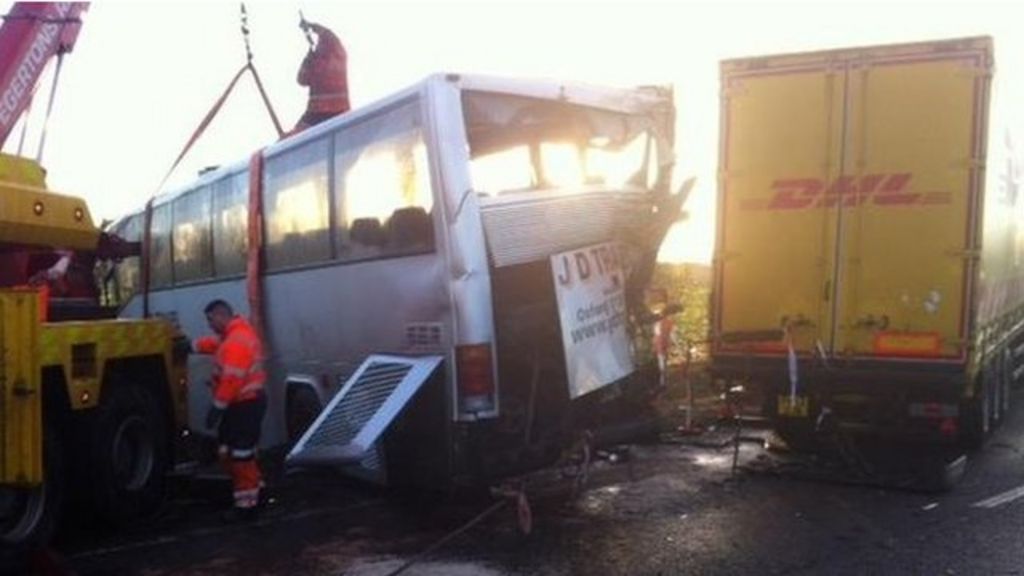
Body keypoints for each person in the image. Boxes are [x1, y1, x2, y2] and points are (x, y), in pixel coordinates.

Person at [192, 299, 267, 521]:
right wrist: (193, 346)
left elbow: (231, 381)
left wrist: (216, 409)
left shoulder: (236, 342)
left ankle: (246, 506)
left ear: (221, 316)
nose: (209, 325)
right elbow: (215, 344)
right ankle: (255, 492)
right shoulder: (235, 336)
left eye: (210, 320)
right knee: (237, 452)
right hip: (245, 405)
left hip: (244, 405)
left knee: (240, 454)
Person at [290, 20, 349, 134]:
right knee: (297, 138)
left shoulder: (329, 57)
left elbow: (328, 35)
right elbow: (301, 80)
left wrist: (311, 26)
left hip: (327, 112)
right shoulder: (324, 60)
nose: (318, 47)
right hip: (327, 112)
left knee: (296, 139)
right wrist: (308, 59)